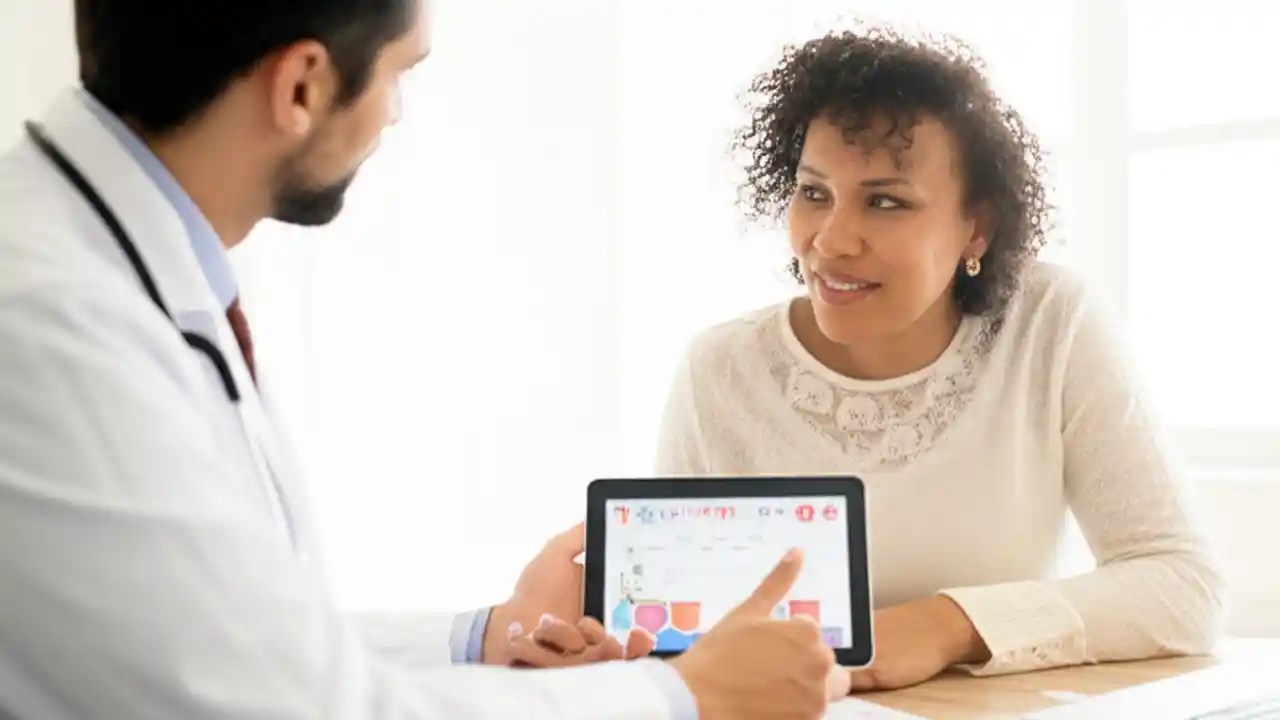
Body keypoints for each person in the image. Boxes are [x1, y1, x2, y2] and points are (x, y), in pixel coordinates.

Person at [0, 1, 837, 718]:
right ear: (301, 86)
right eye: (399, 73)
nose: (395, 115)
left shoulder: (114, 268)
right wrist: (681, 694)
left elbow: (216, 635)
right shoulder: (49, 322)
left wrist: (483, 635)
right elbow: (281, 706)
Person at [643, 26, 1226, 692]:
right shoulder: (719, 370)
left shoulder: (1050, 323)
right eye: (814, 193)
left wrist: (947, 624)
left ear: (975, 226)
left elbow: (1183, 584)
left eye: (885, 201)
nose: (831, 240)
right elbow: (678, 639)